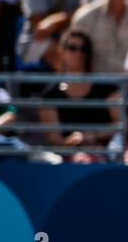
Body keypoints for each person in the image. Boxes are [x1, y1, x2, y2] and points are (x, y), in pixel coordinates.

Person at [38, 29, 123, 161]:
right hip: (67, 159)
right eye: (72, 48)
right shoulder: (50, 94)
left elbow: (122, 124)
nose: (78, 53)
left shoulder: (106, 88)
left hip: (106, 153)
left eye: (84, 49)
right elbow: (54, 138)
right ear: (62, 51)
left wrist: (93, 136)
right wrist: (74, 144)